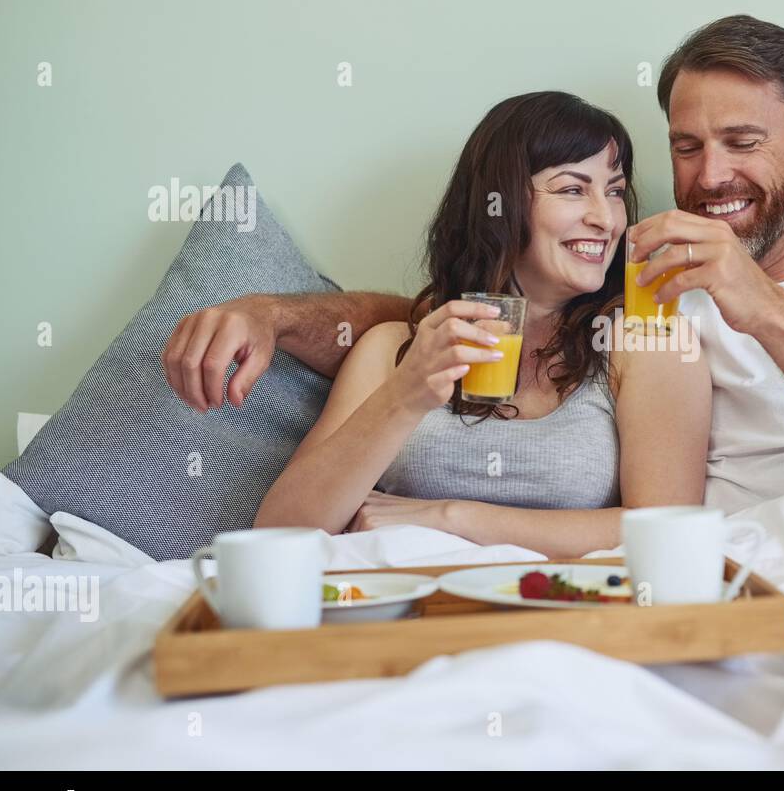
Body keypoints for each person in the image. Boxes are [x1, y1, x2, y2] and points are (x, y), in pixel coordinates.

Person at [165, 16, 784, 554]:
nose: (710, 174)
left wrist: (763, 308)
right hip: (670, 593)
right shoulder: (651, 297)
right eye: (686, 145)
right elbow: (434, 317)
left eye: (742, 141)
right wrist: (272, 314)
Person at [238, 91, 709, 557]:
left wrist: (454, 517)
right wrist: (405, 396)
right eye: (571, 189)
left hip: (565, 611)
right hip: (410, 608)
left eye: (613, 191)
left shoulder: (647, 343)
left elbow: (667, 529)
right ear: (500, 204)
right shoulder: (394, 348)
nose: (605, 219)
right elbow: (280, 533)